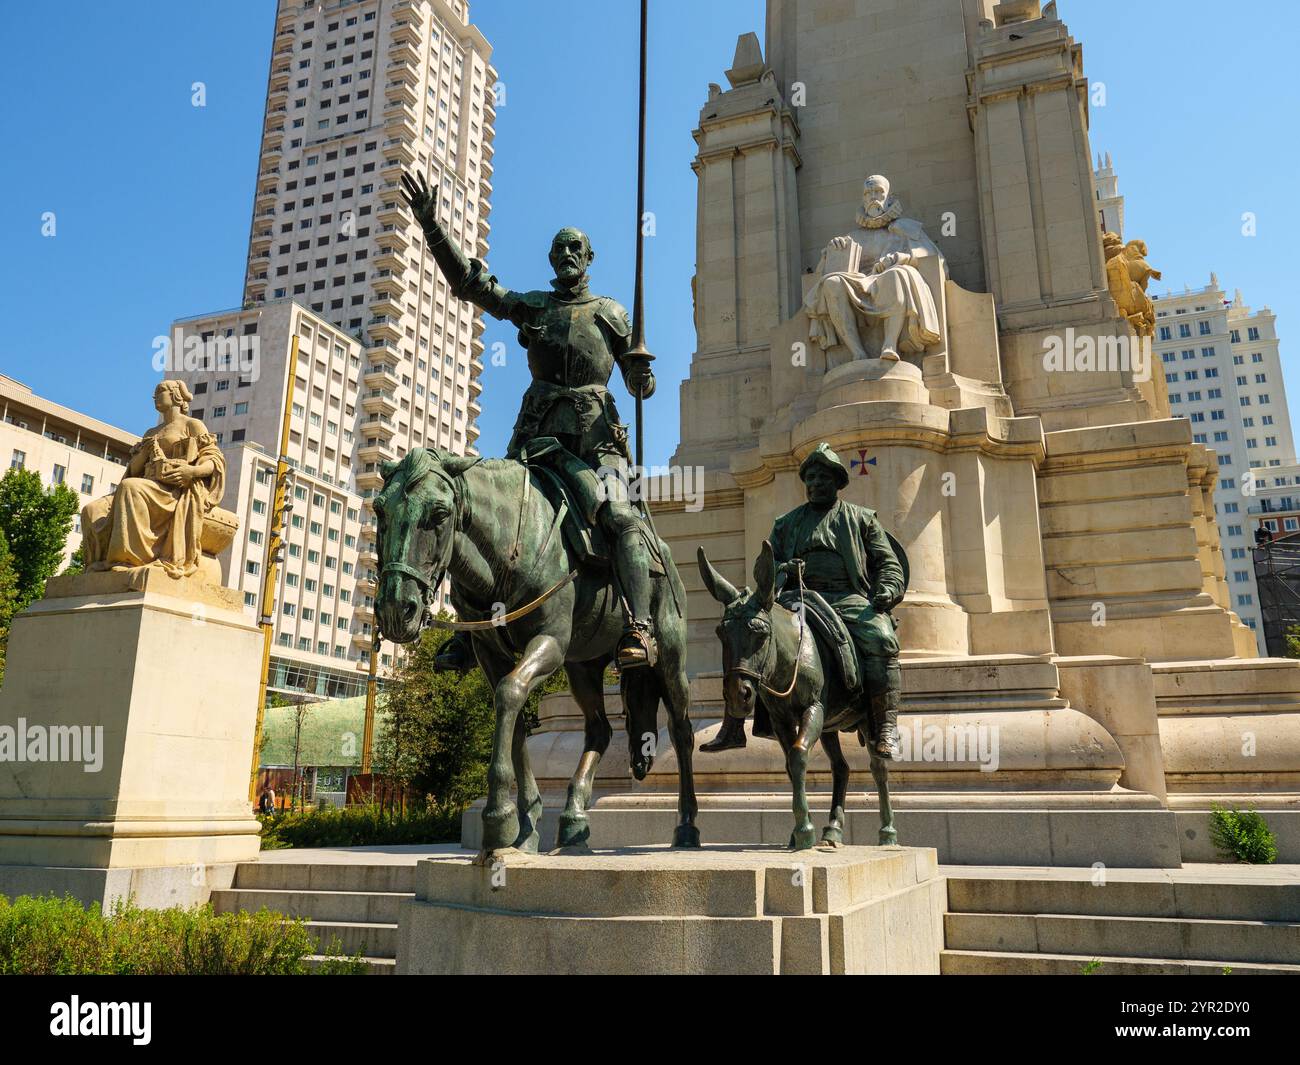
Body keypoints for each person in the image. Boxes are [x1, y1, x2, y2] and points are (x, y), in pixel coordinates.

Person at [401, 171, 659, 670]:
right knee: (481, 515)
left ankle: (639, 627)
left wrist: (642, 374)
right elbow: (471, 284)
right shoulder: (534, 308)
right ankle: (470, 631)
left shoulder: (610, 313)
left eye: (574, 250)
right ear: (551, 261)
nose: (566, 257)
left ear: (588, 260)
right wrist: (432, 225)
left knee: (623, 520)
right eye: (558, 250)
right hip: (535, 442)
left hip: (594, 446)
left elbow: (636, 385)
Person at [702, 443, 905, 758]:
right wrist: (784, 568)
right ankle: (733, 725)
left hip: (848, 598)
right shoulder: (786, 523)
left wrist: (887, 590)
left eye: (822, 477)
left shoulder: (861, 519)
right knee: (744, 626)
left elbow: (888, 563)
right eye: (810, 478)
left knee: (882, 638)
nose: (815, 483)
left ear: (837, 482)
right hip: (797, 598)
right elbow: (764, 566)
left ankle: (886, 727)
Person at [80, 380, 225, 578]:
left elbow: (213, 459)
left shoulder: (192, 425)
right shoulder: (151, 432)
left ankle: (128, 559)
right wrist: (144, 453)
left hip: (173, 490)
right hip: (148, 484)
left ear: (175, 395)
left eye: (161, 391)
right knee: (92, 510)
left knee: (130, 488)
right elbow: (134, 470)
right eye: (155, 393)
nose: (156, 396)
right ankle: (97, 563)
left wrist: (191, 472)